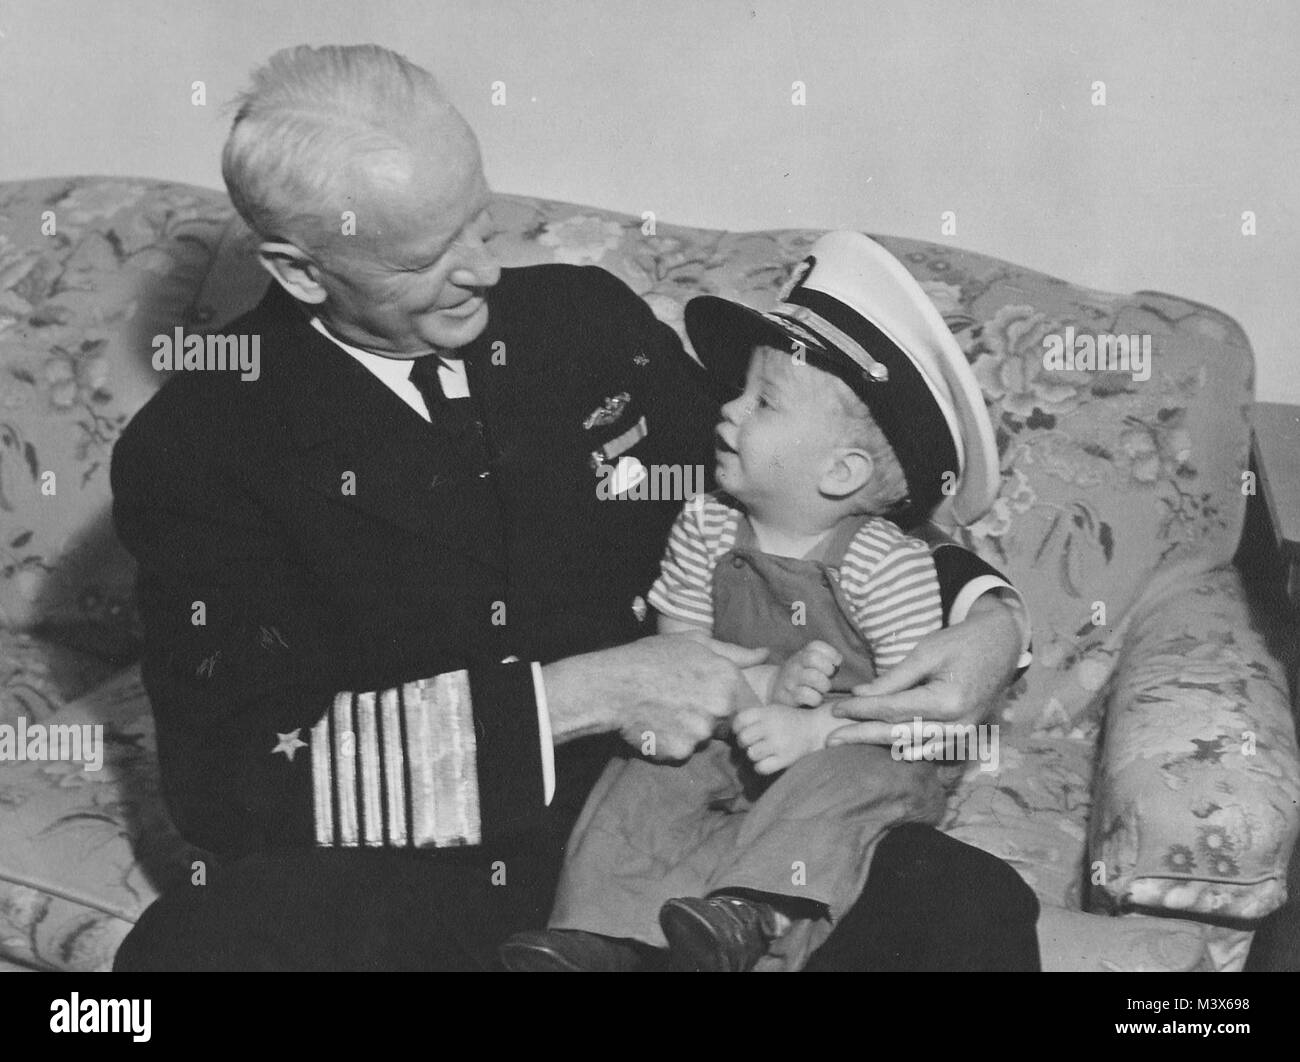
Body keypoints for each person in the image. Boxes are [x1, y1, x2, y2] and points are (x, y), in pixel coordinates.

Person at [109, 44, 1037, 972]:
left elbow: (785, 495)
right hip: (438, 861)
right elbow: (236, 787)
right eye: (432, 256)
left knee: (965, 909)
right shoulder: (196, 448)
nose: (483, 270)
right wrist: (583, 695)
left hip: (699, 800)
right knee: (189, 956)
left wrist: (988, 616)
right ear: (301, 270)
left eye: (481, 220)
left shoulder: (580, 320)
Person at [503, 232, 1007, 972]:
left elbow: (912, 715)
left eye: (762, 401)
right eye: (740, 390)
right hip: (738, 719)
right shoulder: (705, 523)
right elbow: (681, 657)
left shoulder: (881, 563)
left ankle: (755, 914)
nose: (727, 410)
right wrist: (759, 692)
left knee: (848, 788)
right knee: (649, 768)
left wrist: (813, 729)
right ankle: (601, 933)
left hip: (855, 743)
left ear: (842, 472)